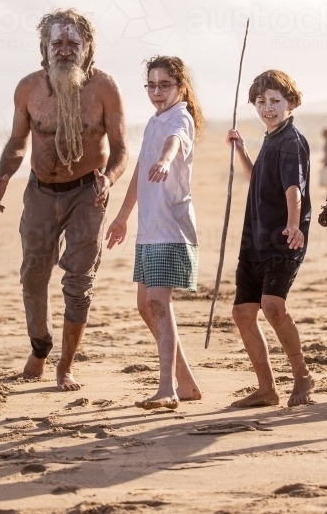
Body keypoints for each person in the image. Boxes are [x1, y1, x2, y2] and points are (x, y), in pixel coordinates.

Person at [0, 8, 128, 391]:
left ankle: (65, 365)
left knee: (79, 280)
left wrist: (109, 180)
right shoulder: (28, 89)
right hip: (40, 191)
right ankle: (40, 345)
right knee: (33, 276)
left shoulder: (104, 89)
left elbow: (120, 149)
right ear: (45, 48)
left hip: (87, 191)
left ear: (87, 49)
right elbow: (19, 140)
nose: (65, 49)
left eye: (73, 42)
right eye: (58, 42)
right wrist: (4, 173)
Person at [105, 56, 205, 410]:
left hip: (171, 228)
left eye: (165, 85)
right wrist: (122, 217)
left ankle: (167, 389)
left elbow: (174, 143)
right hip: (149, 229)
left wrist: (165, 161)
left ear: (180, 87)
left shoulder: (180, 117)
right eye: (152, 85)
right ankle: (187, 381)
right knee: (144, 305)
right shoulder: (153, 121)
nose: (158, 92)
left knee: (159, 303)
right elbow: (138, 173)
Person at [225, 70, 314, 408]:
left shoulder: (291, 140)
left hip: (282, 238)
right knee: (243, 313)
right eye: (261, 102)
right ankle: (266, 388)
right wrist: (242, 151)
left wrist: (294, 224)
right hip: (255, 239)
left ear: (290, 103)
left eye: (275, 101)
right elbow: (257, 179)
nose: (268, 108)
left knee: (273, 306)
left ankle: (302, 374)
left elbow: (295, 188)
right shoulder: (271, 138)